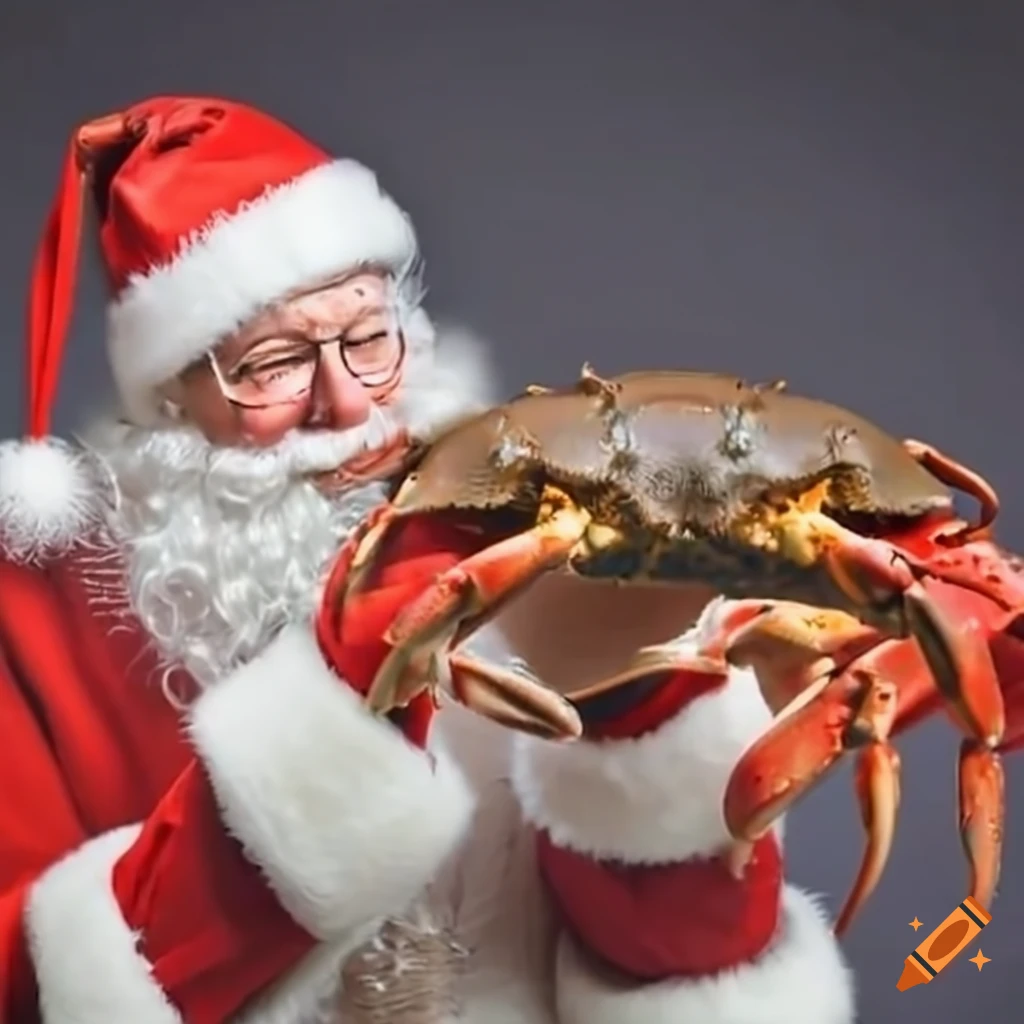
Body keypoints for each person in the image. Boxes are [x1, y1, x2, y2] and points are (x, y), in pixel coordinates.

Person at [0, 95, 856, 1023]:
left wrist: (649, 720)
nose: (346, 402)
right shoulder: (43, 610)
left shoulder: (526, 520)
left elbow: (691, 962)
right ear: (171, 394)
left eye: (370, 338)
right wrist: (337, 707)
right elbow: (34, 993)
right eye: (272, 364)